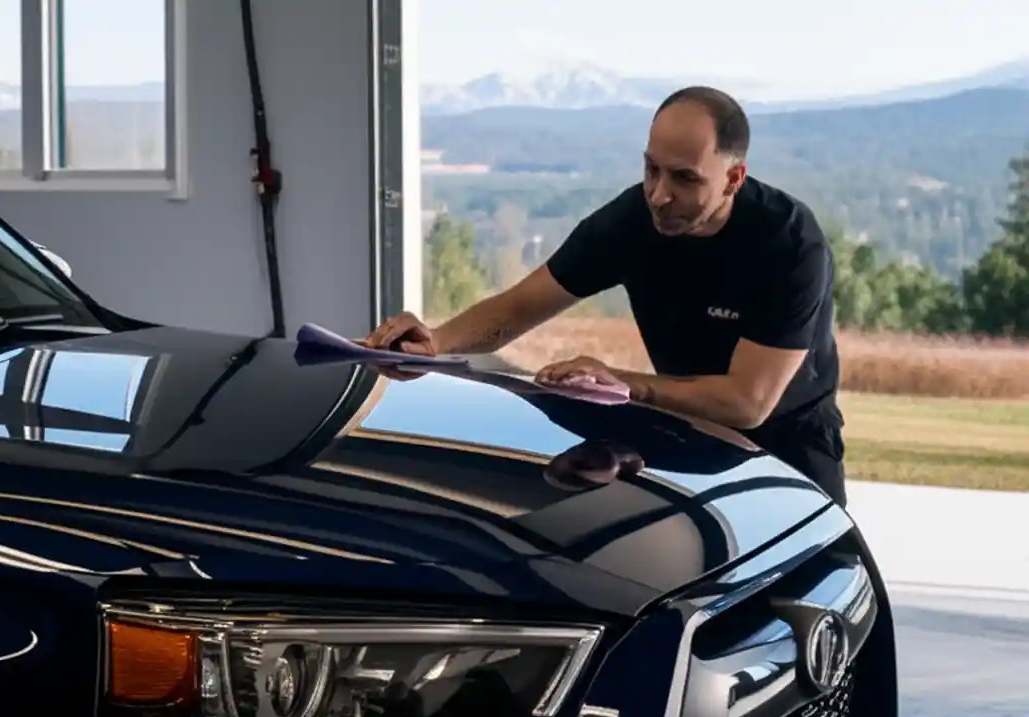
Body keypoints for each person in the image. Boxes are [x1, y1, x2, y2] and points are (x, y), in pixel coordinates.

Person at [362, 86, 847, 507]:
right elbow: (517, 307)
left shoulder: (788, 243)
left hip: (791, 450)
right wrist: (435, 343)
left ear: (733, 179)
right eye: (651, 169)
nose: (659, 194)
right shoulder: (630, 222)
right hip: (688, 430)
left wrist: (618, 381)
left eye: (685, 178)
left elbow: (747, 403)